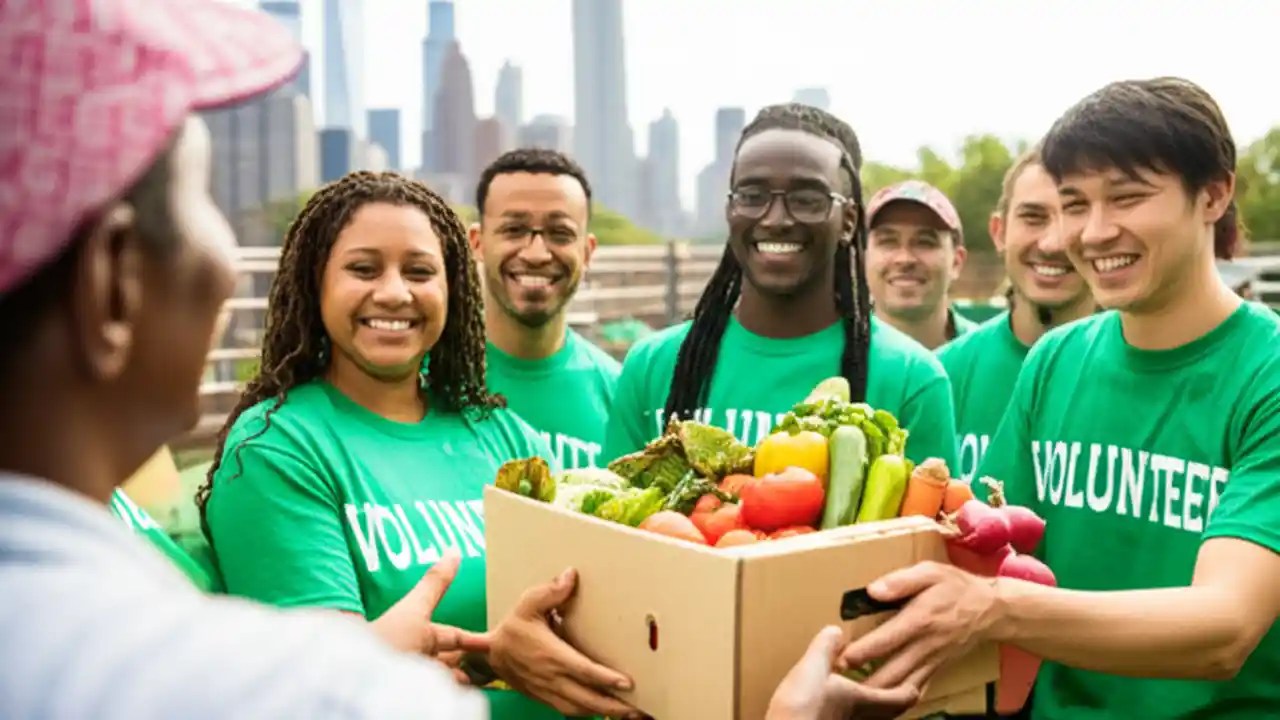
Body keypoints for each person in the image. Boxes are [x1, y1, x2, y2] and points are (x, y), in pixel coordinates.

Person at [0, 0, 489, 716]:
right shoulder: (318, 692)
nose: (230, 266)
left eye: (420, 271)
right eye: (201, 197)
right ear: (111, 281)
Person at [837, 77, 1280, 719]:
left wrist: (997, 611)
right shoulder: (1056, 359)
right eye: (1075, 204)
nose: (1092, 233)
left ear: (1213, 195)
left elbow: (1225, 628)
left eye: (1127, 198)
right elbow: (991, 548)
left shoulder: (1264, 372)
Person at [603, 104, 959, 472]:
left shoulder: (912, 380)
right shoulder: (652, 366)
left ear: (849, 221)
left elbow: (928, 526)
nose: (776, 219)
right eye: (753, 196)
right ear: (731, 210)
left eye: (807, 200)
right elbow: (603, 526)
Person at [937, 149, 1096, 483]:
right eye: (1033, 217)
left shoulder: (1152, 381)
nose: (1052, 243)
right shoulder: (940, 379)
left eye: (1072, 215)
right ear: (999, 232)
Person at [470, 148, 621, 470]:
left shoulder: (620, 395)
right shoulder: (422, 379)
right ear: (477, 242)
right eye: (513, 230)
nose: (537, 253)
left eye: (560, 234)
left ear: (587, 251)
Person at [864, 180, 976, 350]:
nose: (904, 259)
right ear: (862, 258)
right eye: (888, 242)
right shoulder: (833, 357)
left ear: (956, 262)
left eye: (924, 242)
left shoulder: (989, 357)